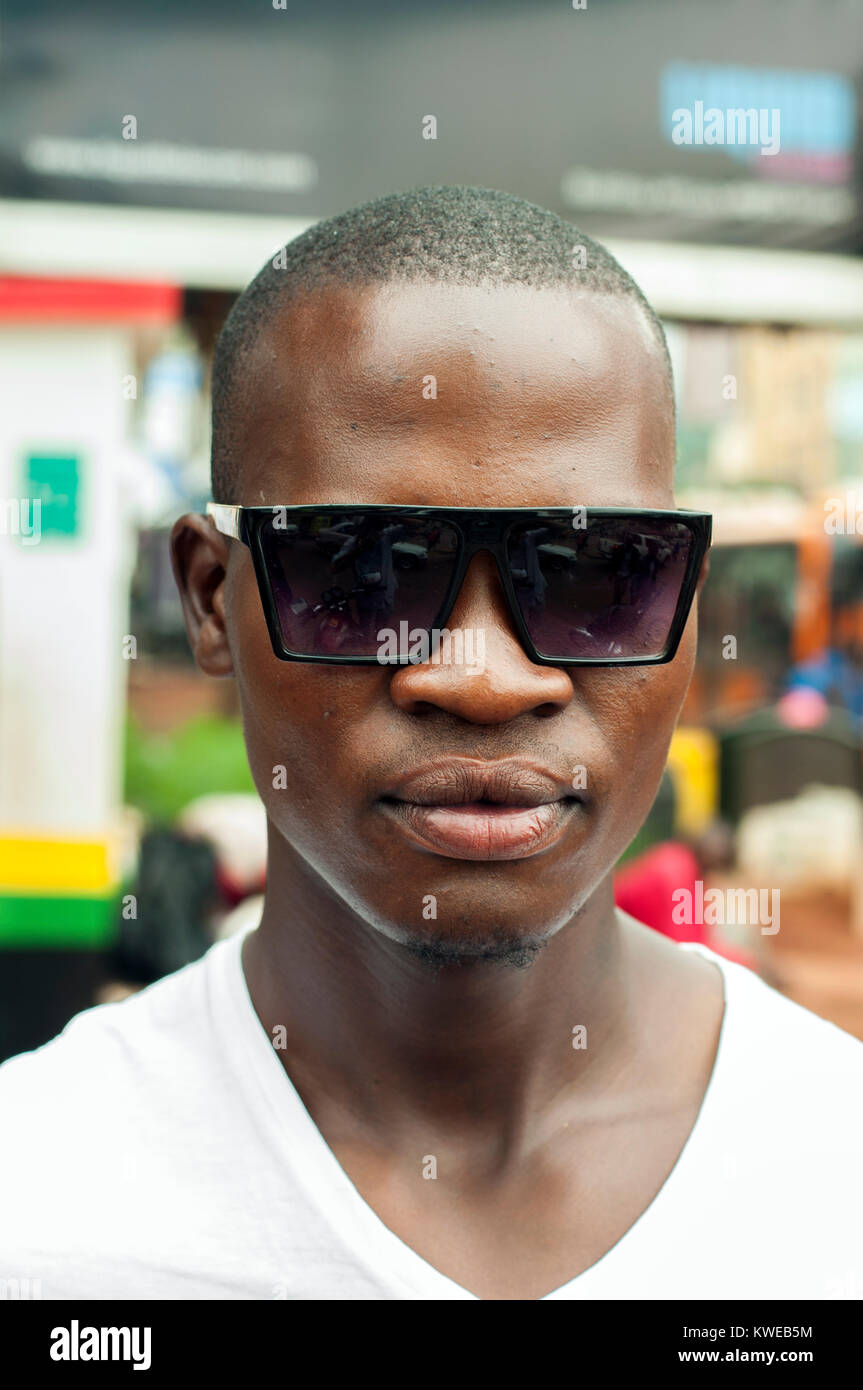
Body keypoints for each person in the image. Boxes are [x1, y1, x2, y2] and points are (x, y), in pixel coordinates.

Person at [1, 186, 861, 1301]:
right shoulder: (42, 1215)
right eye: (368, 569)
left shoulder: (830, 1175)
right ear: (212, 600)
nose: (483, 676)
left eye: (596, 570)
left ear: (688, 604)